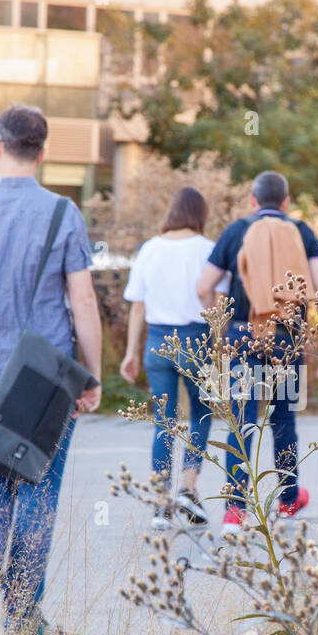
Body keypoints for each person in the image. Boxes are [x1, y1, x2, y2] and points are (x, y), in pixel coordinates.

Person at [0, 104, 102, 635]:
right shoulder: (64, 213)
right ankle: (23, 616)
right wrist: (92, 376)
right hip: (45, 375)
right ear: (43, 151)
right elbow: (82, 300)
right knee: (38, 485)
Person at [197, 171, 318, 537]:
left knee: (241, 421)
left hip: (243, 337)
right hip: (287, 341)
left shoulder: (236, 232)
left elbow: (203, 287)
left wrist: (221, 327)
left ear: (252, 200)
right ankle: (289, 499)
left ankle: (234, 512)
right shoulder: (302, 233)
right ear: (287, 202)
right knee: (283, 420)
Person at [119, 187, 218, 531]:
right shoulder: (208, 249)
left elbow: (137, 305)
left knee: (164, 422)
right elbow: (217, 301)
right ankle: (187, 489)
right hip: (196, 339)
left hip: (157, 341)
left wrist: (131, 352)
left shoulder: (150, 249)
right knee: (201, 414)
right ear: (199, 213)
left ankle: (161, 505)